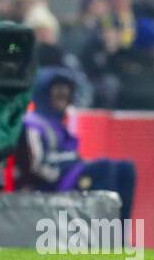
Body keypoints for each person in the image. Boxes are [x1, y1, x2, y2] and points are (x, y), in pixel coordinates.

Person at [15, 67, 137, 223]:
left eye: (66, 91)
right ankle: (103, 234)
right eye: (57, 90)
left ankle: (119, 234)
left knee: (125, 168)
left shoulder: (58, 124)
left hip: (69, 175)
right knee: (103, 169)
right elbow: (36, 165)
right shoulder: (34, 123)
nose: (63, 95)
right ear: (45, 91)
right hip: (51, 183)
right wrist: (70, 170)